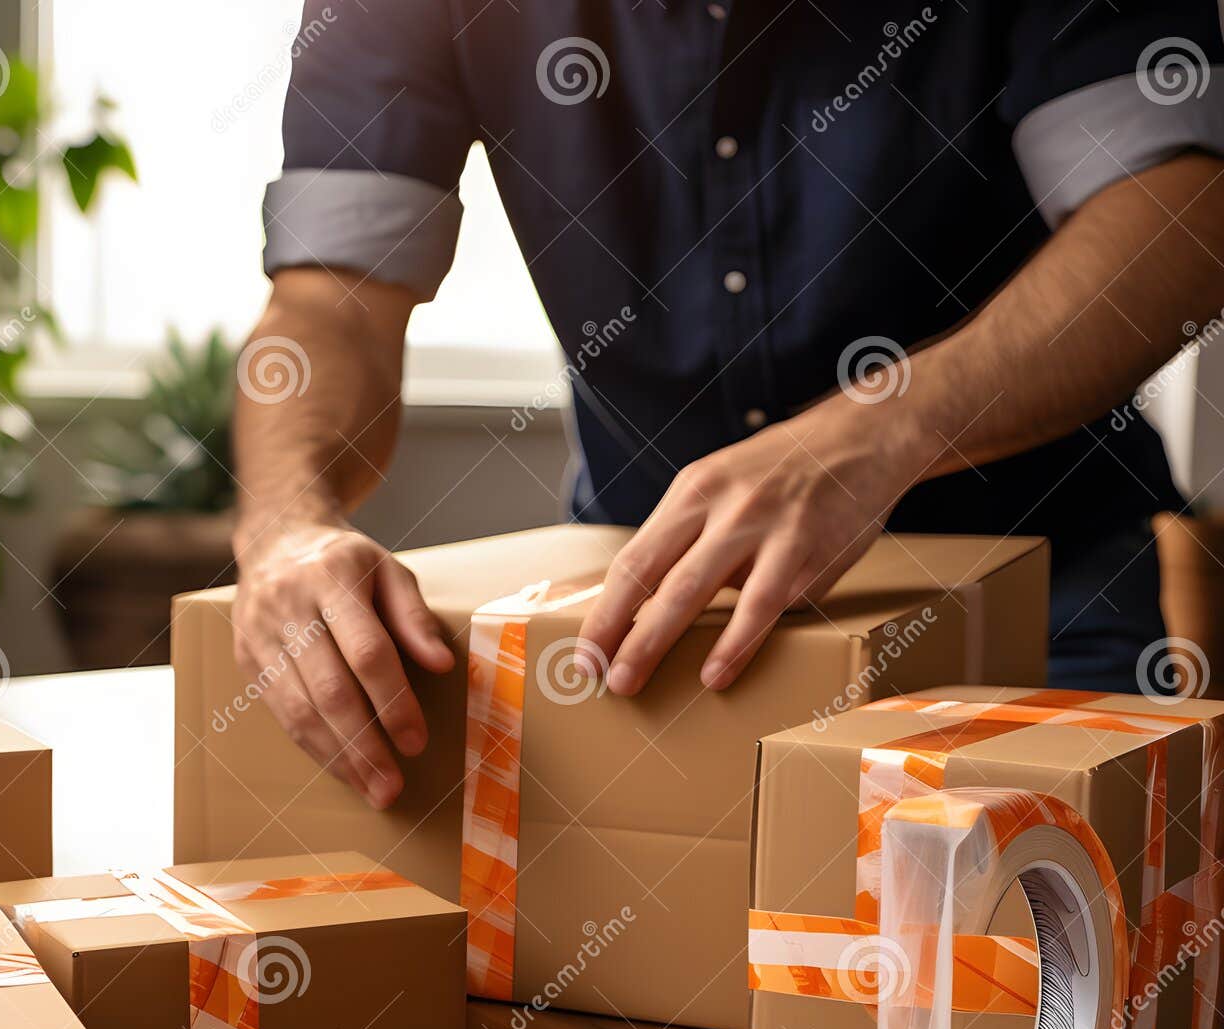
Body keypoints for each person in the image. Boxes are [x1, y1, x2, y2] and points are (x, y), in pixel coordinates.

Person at [231, 1, 1224, 809]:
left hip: (1030, 605)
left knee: (1052, 1018)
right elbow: (332, 300)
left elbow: (1182, 216)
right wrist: (283, 524)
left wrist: (885, 427)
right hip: (653, 636)